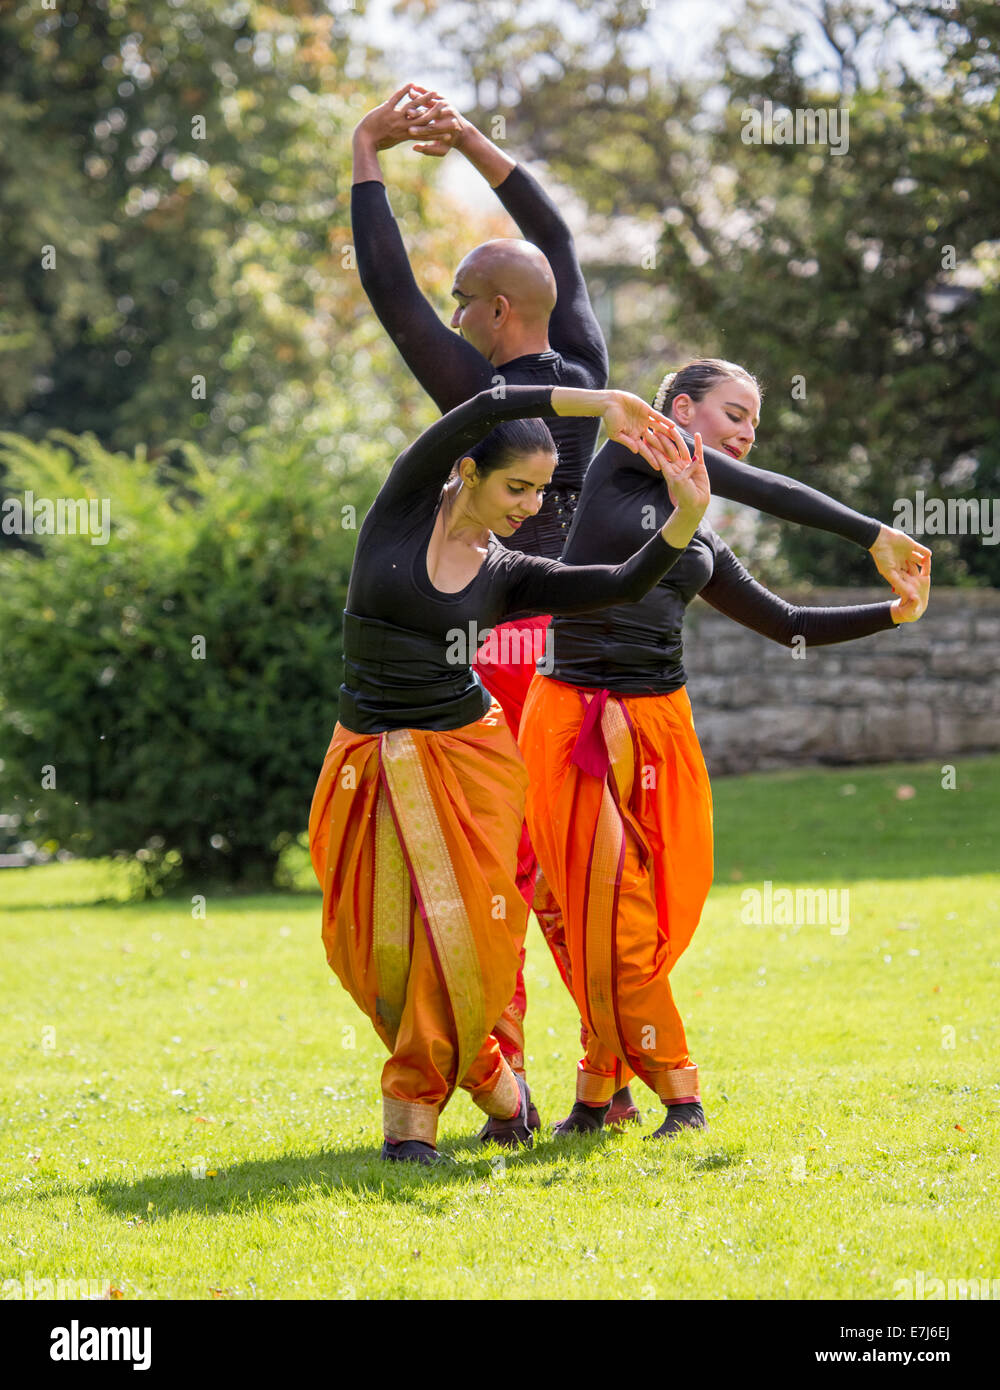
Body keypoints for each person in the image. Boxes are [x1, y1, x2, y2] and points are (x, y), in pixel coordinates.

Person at [349, 86, 931, 1135]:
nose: (447, 321)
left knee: (506, 877)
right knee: (574, 887)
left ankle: (510, 1082)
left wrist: (367, 155)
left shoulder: (486, 393)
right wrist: (473, 142)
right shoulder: (593, 376)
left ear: (490, 316)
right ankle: (599, 1079)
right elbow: (557, 237)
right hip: (574, 642)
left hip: (513, 645)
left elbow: (391, 290)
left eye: (462, 306)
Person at [518, 358, 931, 1138]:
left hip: (662, 727)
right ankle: (683, 1097)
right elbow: (768, 489)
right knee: (610, 913)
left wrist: (894, 613)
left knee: (658, 914)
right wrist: (873, 533)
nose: (746, 435)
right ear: (679, 410)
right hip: (573, 720)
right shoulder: (626, 453)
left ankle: (596, 1095)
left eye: (755, 424)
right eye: (734, 415)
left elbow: (789, 624)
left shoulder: (699, 543)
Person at [308, 381, 712, 1165]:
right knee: (368, 950)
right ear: (468, 470)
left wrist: (684, 520)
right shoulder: (401, 508)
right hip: (364, 756)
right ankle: (498, 1086)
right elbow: (477, 410)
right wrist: (602, 402)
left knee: (465, 941)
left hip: (468, 758)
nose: (531, 506)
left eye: (541, 491)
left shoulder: (512, 571)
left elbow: (619, 583)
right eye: (516, 486)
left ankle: (410, 1118)